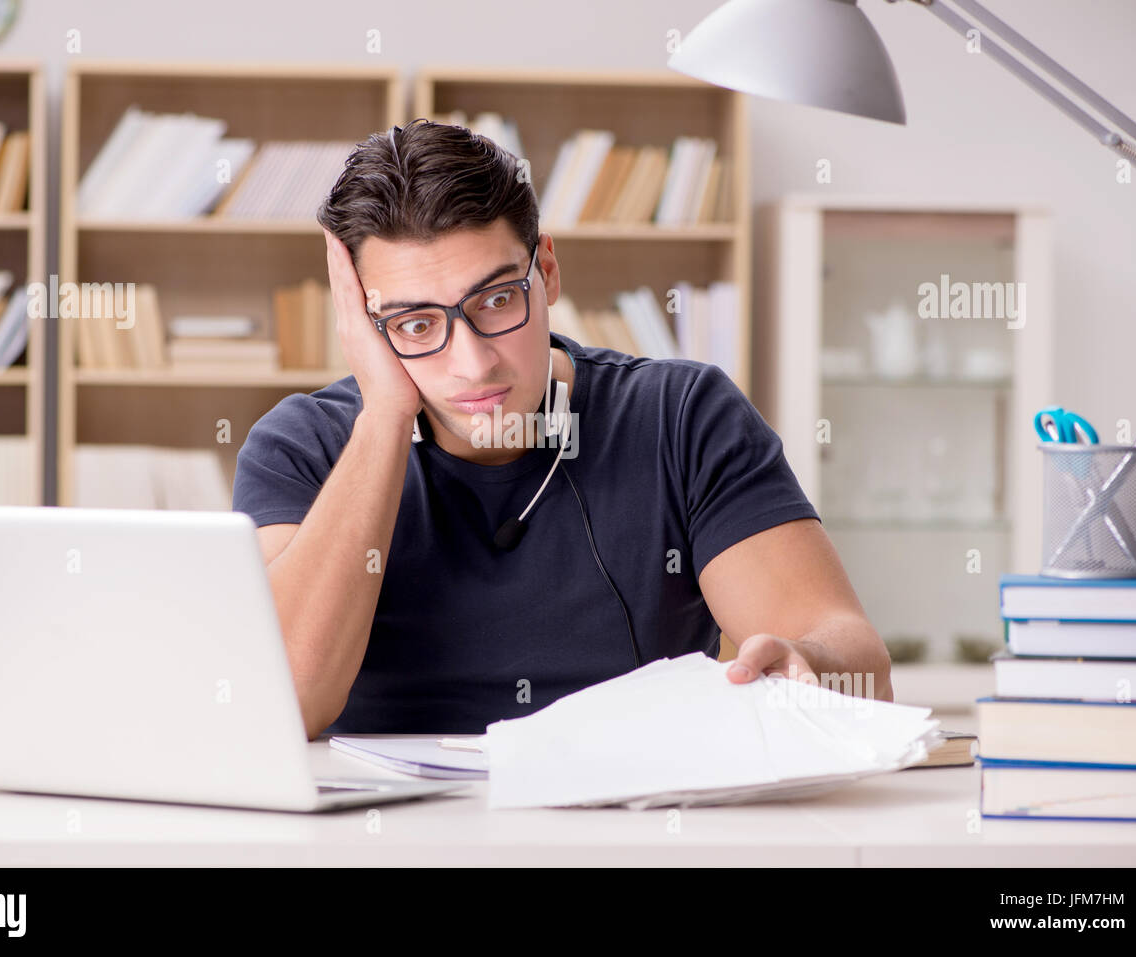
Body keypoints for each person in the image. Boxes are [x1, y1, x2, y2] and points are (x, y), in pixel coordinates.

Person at [233, 119, 892, 738]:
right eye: (415, 325)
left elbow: (863, 665)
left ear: (546, 270)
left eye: (495, 300)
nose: (473, 362)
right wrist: (383, 415)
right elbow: (287, 703)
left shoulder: (683, 416)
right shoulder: (301, 446)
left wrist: (807, 660)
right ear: (365, 332)